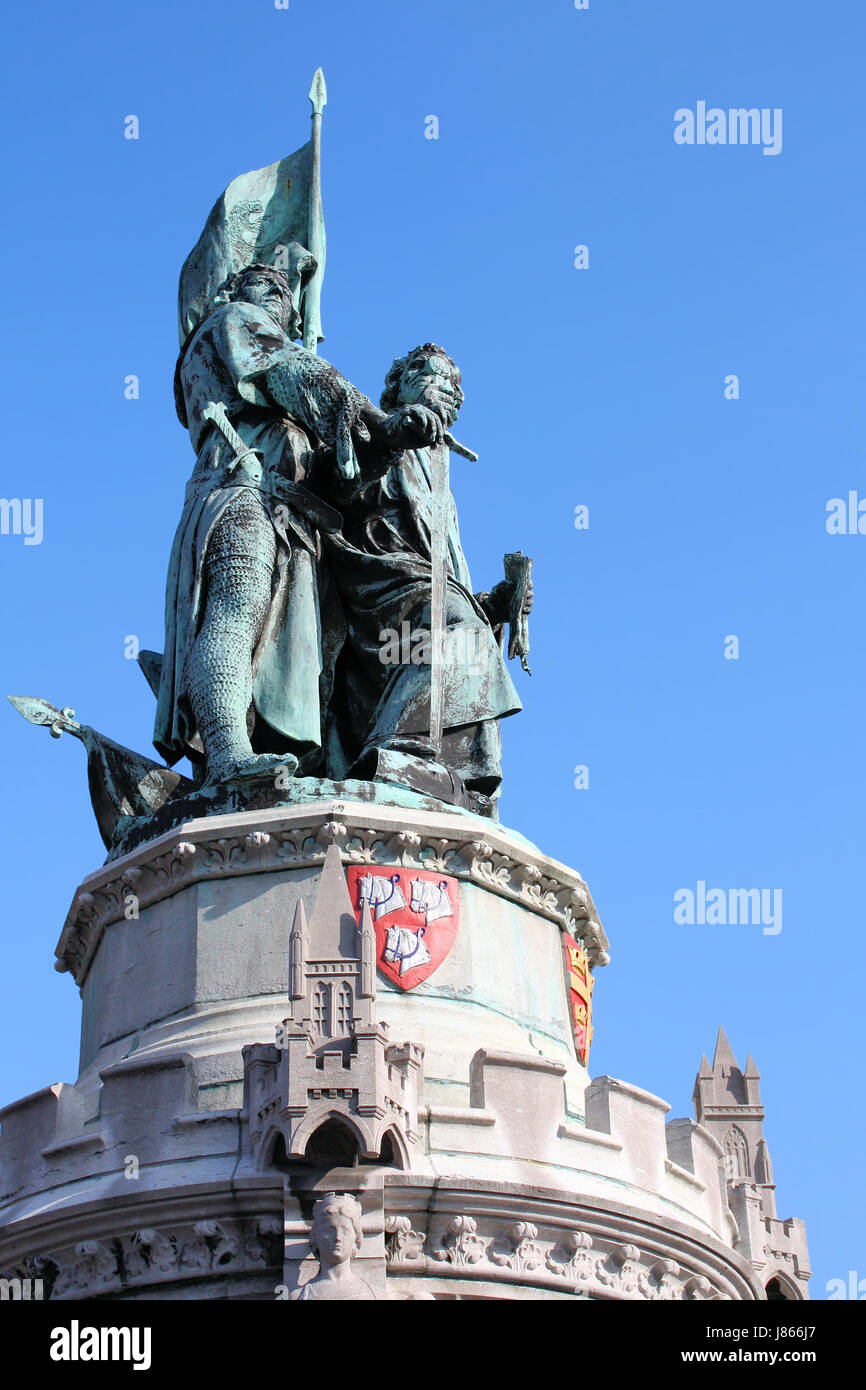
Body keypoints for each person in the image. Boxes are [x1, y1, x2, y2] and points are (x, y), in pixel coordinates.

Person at [154, 266, 443, 787]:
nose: (279, 299)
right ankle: (226, 758)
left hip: (289, 511)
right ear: (233, 292)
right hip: (245, 486)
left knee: (288, 656)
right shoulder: (236, 321)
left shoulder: (255, 356)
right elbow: (290, 369)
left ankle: (280, 763)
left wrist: (388, 440)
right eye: (265, 286)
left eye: (285, 295)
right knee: (236, 611)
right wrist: (374, 421)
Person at [323, 344, 532, 800]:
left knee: (466, 624)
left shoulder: (442, 472)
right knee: (457, 624)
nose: (450, 393)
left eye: (456, 389)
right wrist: (391, 438)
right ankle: (392, 749)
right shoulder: (373, 425)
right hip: (373, 579)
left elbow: (445, 577)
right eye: (437, 378)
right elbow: (337, 483)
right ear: (401, 384)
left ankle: (466, 778)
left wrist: (497, 603)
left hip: (421, 589)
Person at [290, 1193, 376, 1300]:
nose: (338, 1237)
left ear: (355, 1238)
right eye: (329, 1230)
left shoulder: (373, 1294)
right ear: (316, 1237)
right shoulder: (299, 1296)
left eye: (345, 1230)